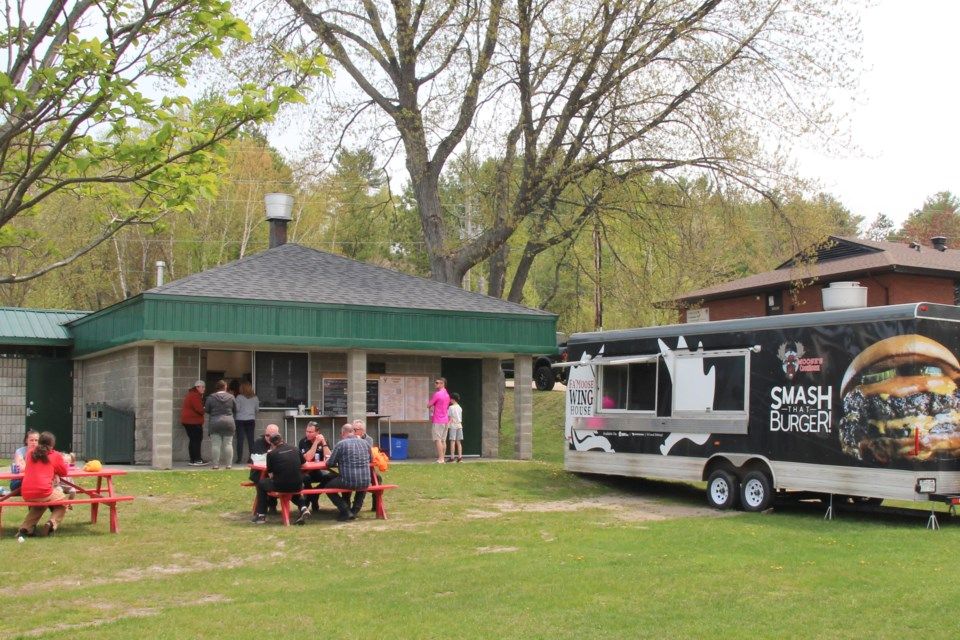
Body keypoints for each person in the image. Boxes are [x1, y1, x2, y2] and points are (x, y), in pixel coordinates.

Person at [16, 431, 69, 540]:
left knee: (41, 504)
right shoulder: (55, 455)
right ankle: (51, 524)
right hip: (44, 491)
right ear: (52, 444)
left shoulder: (30, 452)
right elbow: (64, 472)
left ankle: (25, 529)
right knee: (64, 503)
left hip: (26, 492)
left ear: (39, 442)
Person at [253, 434, 308, 525]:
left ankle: (261, 515)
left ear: (271, 444)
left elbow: (271, 475)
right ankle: (303, 507)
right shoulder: (295, 449)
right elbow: (305, 465)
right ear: (282, 440)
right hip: (298, 484)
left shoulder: (271, 454)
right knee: (291, 485)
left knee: (261, 483)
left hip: (281, 486)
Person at [323, 423, 372, 521]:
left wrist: (329, 460)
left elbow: (330, 463)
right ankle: (355, 510)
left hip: (347, 480)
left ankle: (345, 510)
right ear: (353, 432)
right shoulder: (365, 443)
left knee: (327, 488)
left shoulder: (341, 444)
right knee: (362, 484)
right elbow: (371, 459)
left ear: (342, 434)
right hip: (366, 480)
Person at [298, 421, 331, 512]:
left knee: (330, 477)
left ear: (317, 432)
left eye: (311, 432)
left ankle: (315, 494)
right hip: (306, 471)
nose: (308, 434)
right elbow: (307, 458)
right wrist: (315, 443)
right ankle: (311, 497)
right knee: (305, 478)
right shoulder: (303, 441)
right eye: (307, 431)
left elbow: (329, 457)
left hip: (319, 470)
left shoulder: (324, 440)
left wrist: (323, 442)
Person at [205, 379, 236, 470]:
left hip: (215, 422)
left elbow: (207, 410)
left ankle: (215, 465)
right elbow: (236, 409)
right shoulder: (231, 397)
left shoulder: (211, 397)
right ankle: (229, 465)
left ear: (217, 388)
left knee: (215, 445)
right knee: (228, 444)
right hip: (229, 422)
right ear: (225, 387)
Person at [180, 380, 208, 466]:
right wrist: (204, 409)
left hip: (188, 421)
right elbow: (199, 409)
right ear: (197, 387)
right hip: (193, 422)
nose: (204, 389)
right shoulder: (195, 396)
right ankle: (197, 459)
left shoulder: (191, 394)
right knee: (196, 440)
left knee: (193, 440)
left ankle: (193, 459)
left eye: (204, 387)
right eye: (202, 387)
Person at [234, 381, 259, 464]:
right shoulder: (255, 398)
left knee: (240, 440)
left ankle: (239, 459)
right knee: (251, 440)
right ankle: (251, 459)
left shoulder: (239, 397)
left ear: (242, 388)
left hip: (240, 420)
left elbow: (236, 409)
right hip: (251, 420)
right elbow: (257, 410)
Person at [428, 377, 451, 463]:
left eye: (437, 383)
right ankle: (443, 458)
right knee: (443, 440)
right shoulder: (447, 395)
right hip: (445, 420)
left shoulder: (437, 394)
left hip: (438, 420)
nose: (435, 384)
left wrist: (431, 406)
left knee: (438, 440)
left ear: (442, 384)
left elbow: (429, 404)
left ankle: (441, 459)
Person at [447, 392, 464, 463]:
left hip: (453, 425)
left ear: (453, 399)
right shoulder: (460, 407)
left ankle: (452, 457)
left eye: (450, 399)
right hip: (459, 425)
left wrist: (447, 425)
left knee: (452, 441)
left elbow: (450, 418)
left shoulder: (451, 407)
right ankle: (460, 458)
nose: (450, 400)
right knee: (459, 442)